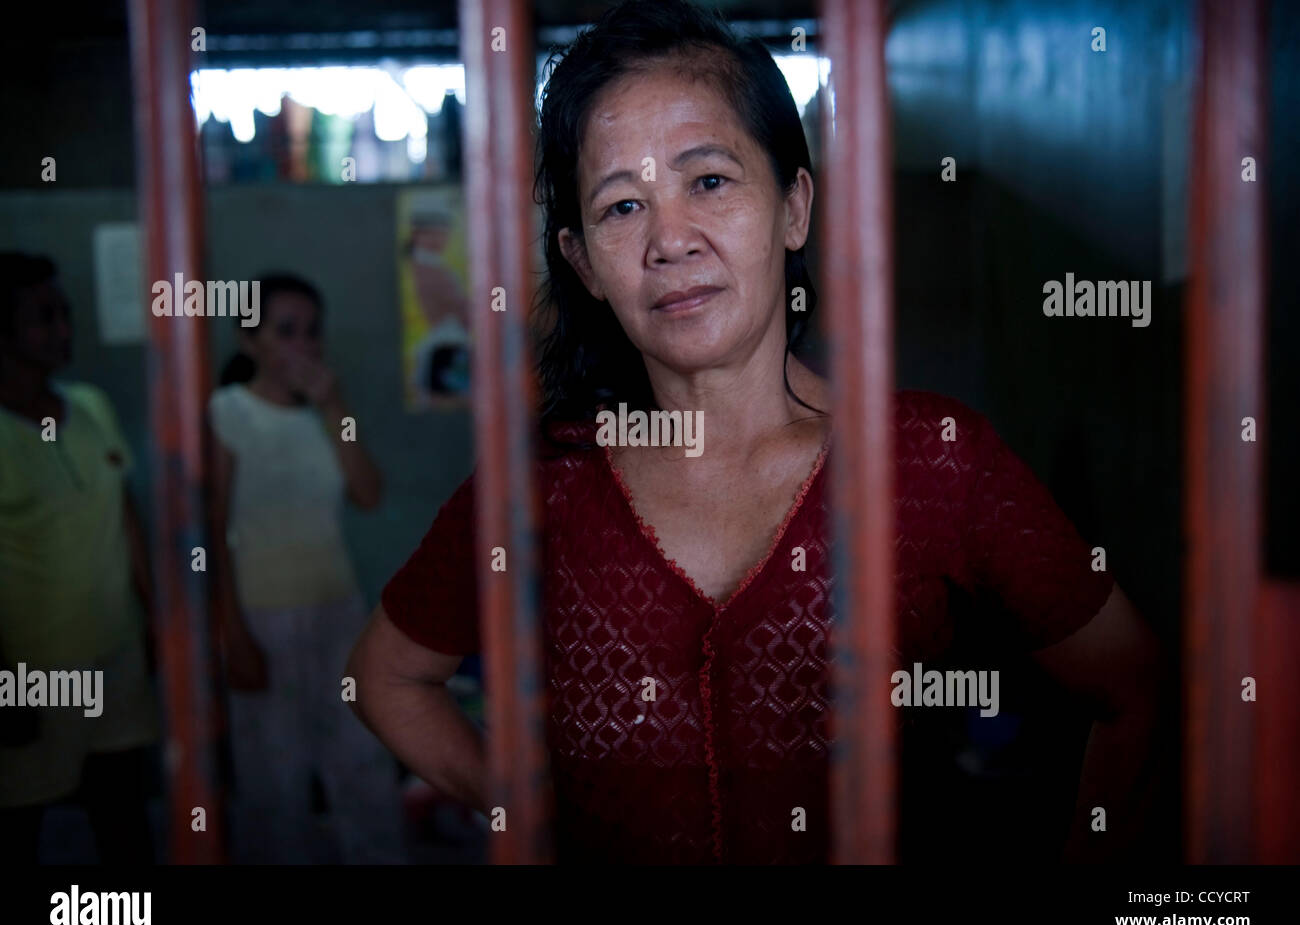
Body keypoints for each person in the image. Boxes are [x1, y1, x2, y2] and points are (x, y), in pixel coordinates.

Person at [346, 0, 1162, 864]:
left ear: (794, 208)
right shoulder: (541, 486)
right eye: (622, 206)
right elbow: (385, 676)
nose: (670, 240)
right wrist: (533, 814)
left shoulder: (934, 459)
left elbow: (1133, 687)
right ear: (582, 262)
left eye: (709, 181)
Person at [209, 273, 405, 863]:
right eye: (286, 331)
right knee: (274, 777)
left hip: (337, 610)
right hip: (261, 616)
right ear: (251, 340)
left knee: (361, 759)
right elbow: (210, 533)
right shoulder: (227, 412)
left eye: (312, 332)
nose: (304, 345)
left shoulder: (326, 414)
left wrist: (335, 405)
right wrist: (230, 632)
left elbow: (368, 493)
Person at [0, 251, 159, 864]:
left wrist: (155, 623)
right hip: (35, 669)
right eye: (44, 317)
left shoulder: (90, 407)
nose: (64, 329)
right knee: (22, 822)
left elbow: (127, 520)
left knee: (123, 817)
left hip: (115, 653)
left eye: (65, 313)